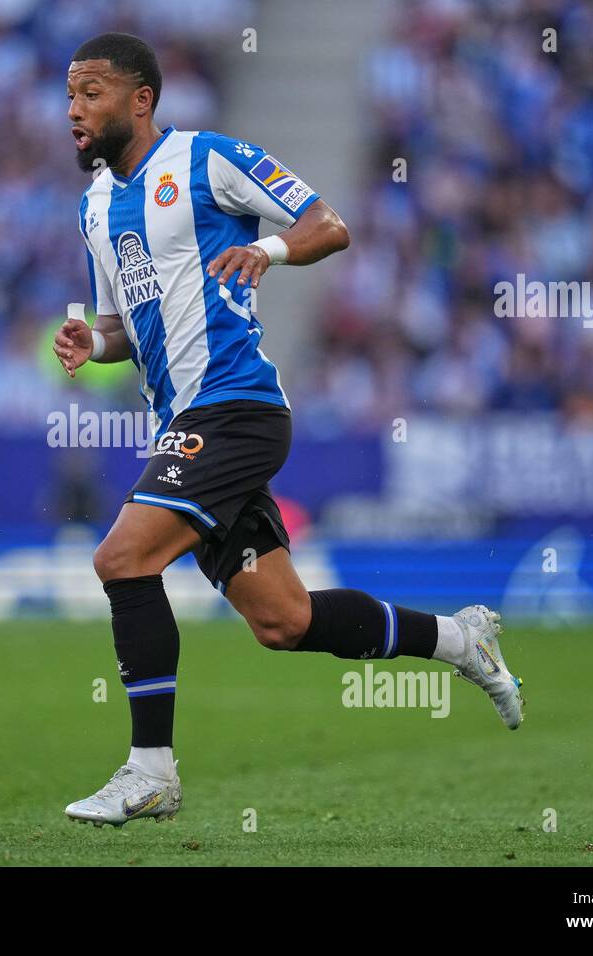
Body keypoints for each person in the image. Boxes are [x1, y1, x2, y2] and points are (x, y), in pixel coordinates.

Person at [54, 33, 523, 827]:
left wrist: (265, 249)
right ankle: (459, 640)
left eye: (92, 92)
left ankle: (151, 771)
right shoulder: (95, 207)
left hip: (237, 410)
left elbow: (327, 224)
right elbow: (122, 326)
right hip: (181, 421)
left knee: (122, 558)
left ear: (141, 100)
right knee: (284, 621)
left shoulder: (208, 160)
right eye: (69, 94)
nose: (74, 109)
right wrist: (91, 344)